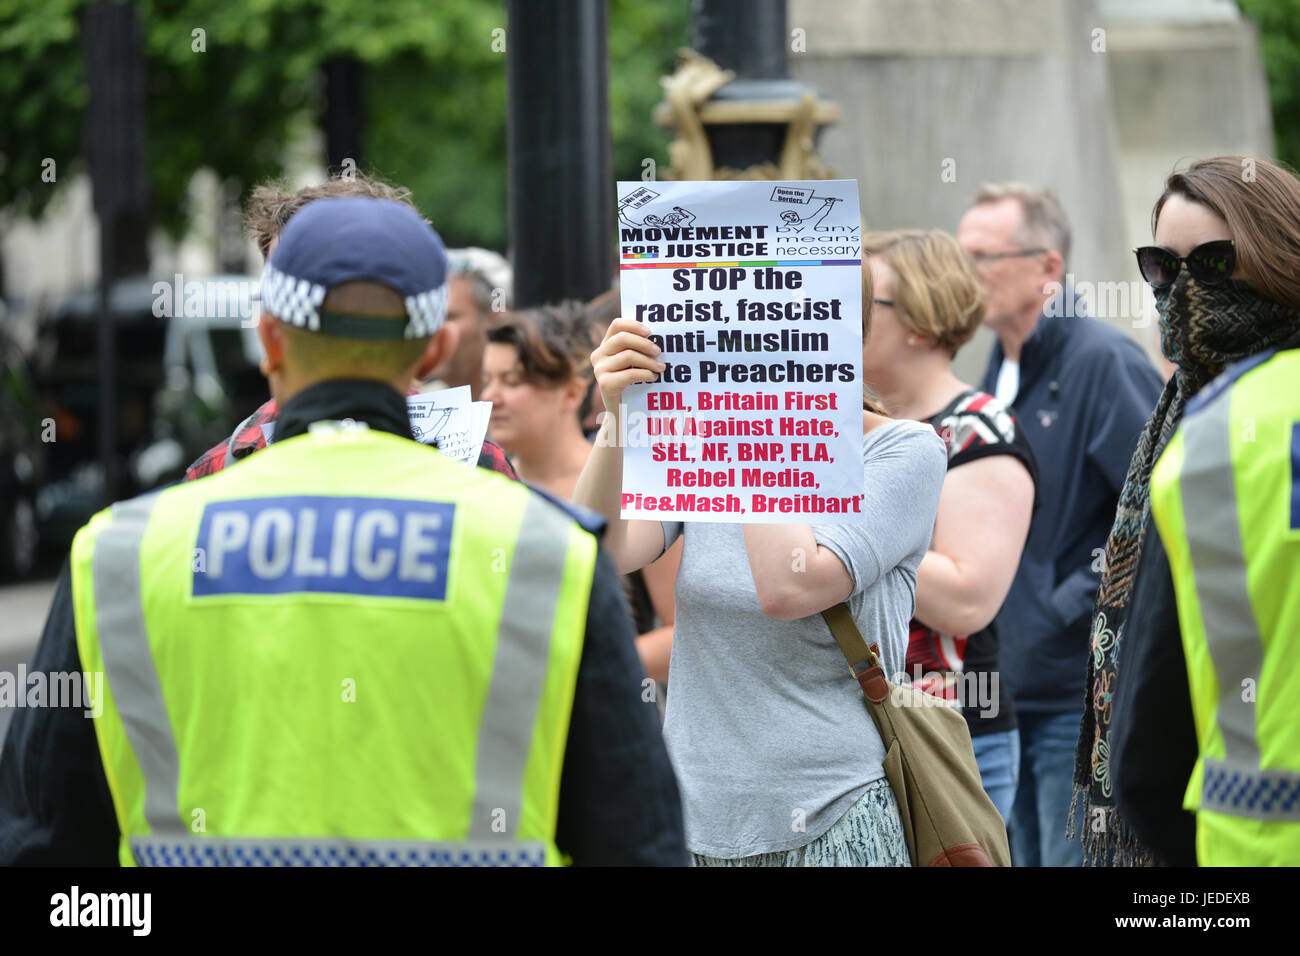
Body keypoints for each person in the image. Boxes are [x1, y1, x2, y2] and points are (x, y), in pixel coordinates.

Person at [0, 196, 686, 866]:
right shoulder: (548, 553)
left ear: (269, 338)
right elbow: (634, 837)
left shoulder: (116, 557)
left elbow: (43, 840)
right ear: (436, 348)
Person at [572, 276, 949, 866]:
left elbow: (789, 586)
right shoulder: (707, 435)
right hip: (695, 815)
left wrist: (751, 411)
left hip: (833, 813)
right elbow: (600, 549)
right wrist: (617, 412)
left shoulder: (904, 451)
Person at [1085, 156, 1300, 866]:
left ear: (1278, 256)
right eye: (1159, 267)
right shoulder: (1184, 423)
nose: (1181, 290)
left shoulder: (1216, 436)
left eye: (1211, 263)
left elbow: (1151, 723)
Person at [956, 183, 1163, 866]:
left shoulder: (1103, 360)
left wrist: (1065, 606)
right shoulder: (1001, 360)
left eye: (984, 257)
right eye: (962, 255)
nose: (966, 273)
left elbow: (1158, 509)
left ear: (1048, 269)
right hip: (1007, 691)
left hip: (1078, 695)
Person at [862, 229, 1037, 823]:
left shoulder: (978, 430)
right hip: (853, 729)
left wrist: (841, 531)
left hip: (949, 730)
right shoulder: (846, 425)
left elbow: (967, 599)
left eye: (865, 301)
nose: (840, 314)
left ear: (919, 322)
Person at [185, 173, 517, 483]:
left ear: (268, 337)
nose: (324, 303)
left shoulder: (204, 491)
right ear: (435, 347)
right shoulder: (486, 481)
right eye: (287, 284)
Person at [482, 302, 681, 685]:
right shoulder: (484, 481)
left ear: (572, 391)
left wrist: (564, 667)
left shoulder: (627, 475)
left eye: (513, 382)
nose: (493, 396)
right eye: (488, 380)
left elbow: (680, 635)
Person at [427, 247, 514, 399]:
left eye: (448, 317)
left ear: (495, 320)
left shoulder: (534, 411)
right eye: (426, 316)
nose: (430, 329)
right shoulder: (417, 408)